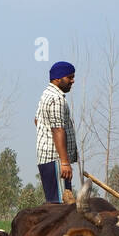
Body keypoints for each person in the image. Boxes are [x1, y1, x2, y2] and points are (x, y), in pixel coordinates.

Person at [34, 61, 78, 203]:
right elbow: (57, 129)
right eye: (69, 77)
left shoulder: (46, 94)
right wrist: (64, 162)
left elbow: (37, 120)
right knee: (60, 205)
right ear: (58, 78)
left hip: (50, 158)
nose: (72, 81)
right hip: (56, 160)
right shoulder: (56, 99)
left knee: (56, 202)